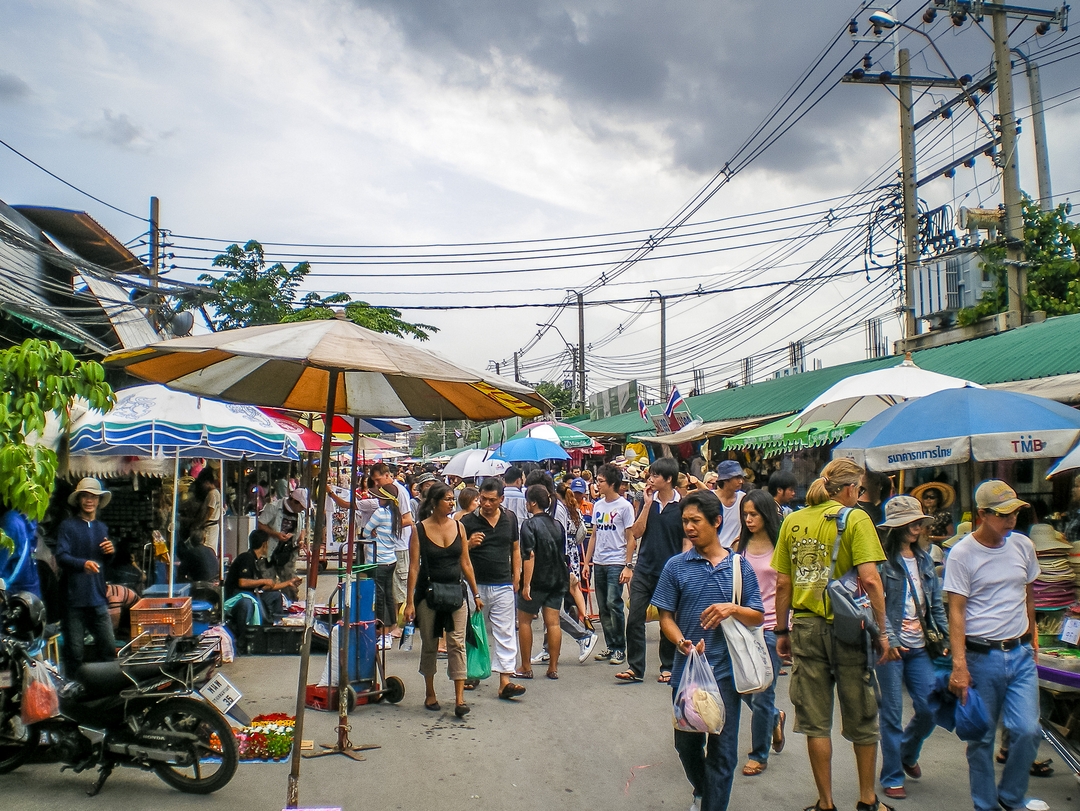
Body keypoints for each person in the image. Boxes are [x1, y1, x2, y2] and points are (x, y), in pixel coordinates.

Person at [772, 458, 891, 811]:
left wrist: (782, 630)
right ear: (851, 488)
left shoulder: (793, 521)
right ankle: (868, 800)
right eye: (861, 488)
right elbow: (870, 580)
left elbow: (783, 583)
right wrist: (883, 632)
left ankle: (826, 803)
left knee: (815, 721)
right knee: (862, 715)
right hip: (850, 628)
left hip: (806, 626)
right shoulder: (856, 519)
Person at [653, 490, 764, 811]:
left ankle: (712, 805)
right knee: (686, 745)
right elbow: (665, 617)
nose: (688, 527)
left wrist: (731, 608)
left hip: (727, 677)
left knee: (723, 753)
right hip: (687, 675)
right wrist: (680, 642)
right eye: (685, 521)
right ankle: (702, 789)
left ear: (716, 522)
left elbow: (757, 615)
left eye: (695, 521)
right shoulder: (676, 567)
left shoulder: (739, 567)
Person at [943, 481, 1040, 811]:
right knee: (981, 739)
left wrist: (1034, 635)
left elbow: (1028, 592)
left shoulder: (1023, 546)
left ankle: (1011, 797)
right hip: (981, 656)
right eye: (1003, 514)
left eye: (1015, 512)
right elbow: (956, 610)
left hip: (1020, 652)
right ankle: (986, 805)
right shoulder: (962, 554)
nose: (1011, 520)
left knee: (1028, 730)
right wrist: (960, 665)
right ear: (982, 515)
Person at [874, 495, 948, 801]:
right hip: (890, 647)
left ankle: (907, 751)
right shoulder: (882, 563)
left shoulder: (925, 559)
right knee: (891, 713)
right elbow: (875, 607)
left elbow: (935, 604)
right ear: (895, 527)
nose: (916, 528)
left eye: (919, 522)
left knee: (930, 707)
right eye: (910, 523)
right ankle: (891, 774)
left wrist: (944, 638)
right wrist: (886, 637)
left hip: (920, 646)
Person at [404, 482, 483, 717]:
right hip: (428, 595)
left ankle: (459, 698)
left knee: (457, 643)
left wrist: (476, 593)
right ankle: (430, 692)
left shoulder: (459, 527)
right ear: (435, 503)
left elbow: (465, 563)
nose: (451, 502)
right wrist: (409, 602)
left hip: (456, 592)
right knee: (429, 643)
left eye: (452, 499)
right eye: (447, 499)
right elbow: (413, 567)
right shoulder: (419, 530)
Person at [460, 478, 527, 700]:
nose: (486, 504)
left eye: (491, 500)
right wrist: (468, 544)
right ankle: (470, 672)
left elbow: (515, 548)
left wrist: (516, 575)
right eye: (483, 499)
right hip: (474, 585)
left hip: (502, 584)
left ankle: (505, 680)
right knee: (471, 630)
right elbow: (456, 552)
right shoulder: (467, 522)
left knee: (505, 632)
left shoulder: (510, 518)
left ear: (501, 499)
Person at [735, 489, 786, 776]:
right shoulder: (739, 547)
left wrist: (784, 629)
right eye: (745, 515)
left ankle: (759, 754)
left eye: (754, 514)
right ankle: (773, 718)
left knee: (763, 693)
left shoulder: (781, 546)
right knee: (742, 686)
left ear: (766, 514)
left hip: (771, 628)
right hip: (742, 626)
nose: (749, 519)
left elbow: (787, 587)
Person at [619, 456, 683, 684]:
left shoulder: (682, 505)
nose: (650, 479)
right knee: (635, 616)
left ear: (668, 479)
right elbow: (635, 533)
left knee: (668, 618)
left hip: (670, 571)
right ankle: (635, 667)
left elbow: (685, 539)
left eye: (656, 475)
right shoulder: (648, 502)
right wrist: (646, 505)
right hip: (644, 568)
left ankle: (668, 666)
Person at [55, 478, 117, 671]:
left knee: (108, 647)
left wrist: (110, 552)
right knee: (75, 653)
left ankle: (107, 691)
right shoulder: (68, 526)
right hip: (75, 599)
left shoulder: (102, 528)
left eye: (93, 497)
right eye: (85, 496)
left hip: (98, 597)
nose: (89, 500)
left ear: (98, 501)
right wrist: (83, 564)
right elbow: (61, 556)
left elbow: (106, 563)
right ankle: (75, 694)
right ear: (79, 500)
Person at [582, 463, 636, 667]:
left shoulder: (625, 506)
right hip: (600, 562)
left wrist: (628, 565)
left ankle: (620, 648)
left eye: (601, 481)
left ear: (612, 483)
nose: (597, 485)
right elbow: (594, 535)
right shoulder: (598, 505)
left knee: (615, 604)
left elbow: (630, 537)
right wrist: (587, 562)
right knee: (603, 606)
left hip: (616, 561)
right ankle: (611, 645)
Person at [516, 485, 570, 679]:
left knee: (524, 621)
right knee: (553, 623)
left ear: (532, 503)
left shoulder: (528, 525)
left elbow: (529, 555)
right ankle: (553, 667)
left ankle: (525, 666)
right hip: (557, 578)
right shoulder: (557, 524)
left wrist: (526, 584)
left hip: (537, 579)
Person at [372, 462, 416, 637]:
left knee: (397, 589)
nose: (376, 484)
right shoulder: (386, 492)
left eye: (378, 479)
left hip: (399, 547)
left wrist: (386, 526)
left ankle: (398, 626)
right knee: (389, 589)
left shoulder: (399, 492)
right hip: (388, 547)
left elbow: (408, 519)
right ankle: (390, 626)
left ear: (388, 475)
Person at [223, 529, 298, 630]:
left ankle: (278, 626)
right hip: (237, 598)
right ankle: (247, 634)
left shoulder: (255, 561)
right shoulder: (246, 558)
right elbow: (243, 582)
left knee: (276, 595)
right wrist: (264, 581)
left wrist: (289, 583)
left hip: (253, 595)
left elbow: (269, 586)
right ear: (264, 544)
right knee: (247, 603)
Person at [363, 486, 403, 650]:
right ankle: (391, 629)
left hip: (378, 561)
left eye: (380, 497)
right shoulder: (397, 515)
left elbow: (365, 532)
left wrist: (372, 532)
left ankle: (383, 634)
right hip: (390, 560)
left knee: (379, 599)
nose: (378, 500)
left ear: (385, 499)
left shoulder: (380, 513)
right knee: (388, 596)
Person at [257, 487, 309, 594]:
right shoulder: (273, 507)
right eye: (301, 506)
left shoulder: (300, 514)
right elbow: (260, 524)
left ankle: (292, 604)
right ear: (294, 501)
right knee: (269, 585)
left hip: (288, 553)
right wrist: (276, 534)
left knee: (291, 585)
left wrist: (301, 540)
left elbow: (302, 528)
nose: (302, 510)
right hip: (269, 552)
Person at [714, 461, 745, 549]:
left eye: (741, 477)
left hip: (736, 551)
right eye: (736, 478)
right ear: (725, 480)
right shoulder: (709, 498)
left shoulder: (743, 499)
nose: (741, 481)